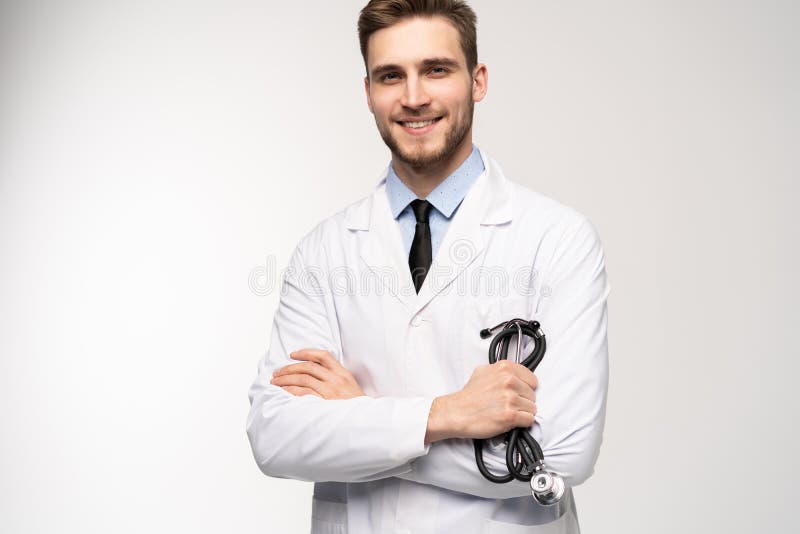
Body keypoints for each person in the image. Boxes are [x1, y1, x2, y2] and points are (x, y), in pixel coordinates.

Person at [246, 1, 610, 532]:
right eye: (391, 76)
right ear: (368, 92)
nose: (414, 97)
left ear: (477, 80)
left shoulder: (558, 239)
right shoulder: (323, 252)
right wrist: (444, 415)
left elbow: (561, 454)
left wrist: (362, 417)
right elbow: (275, 435)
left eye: (436, 70)